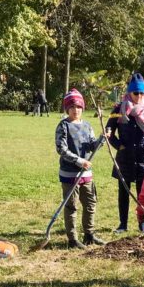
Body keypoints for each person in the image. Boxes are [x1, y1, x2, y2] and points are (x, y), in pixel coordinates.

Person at [106, 73, 144, 234]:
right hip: (124, 159)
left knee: (142, 194)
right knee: (123, 192)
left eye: (142, 93)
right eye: (136, 93)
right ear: (130, 92)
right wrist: (119, 146)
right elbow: (109, 130)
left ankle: (142, 223)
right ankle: (122, 224)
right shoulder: (118, 109)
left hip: (143, 159)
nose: (139, 96)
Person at [55, 88, 105, 248]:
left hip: (86, 174)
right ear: (67, 109)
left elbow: (91, 145)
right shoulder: (63, 126)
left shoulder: (87, 125)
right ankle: (72, 239)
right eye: (72, 107)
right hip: (70, 174)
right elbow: (61, 149)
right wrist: (78, 161)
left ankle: (89, 235)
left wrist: (102, 140)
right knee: (71, 206)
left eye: (78, 107)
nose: (76, 110)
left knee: (90, 203)